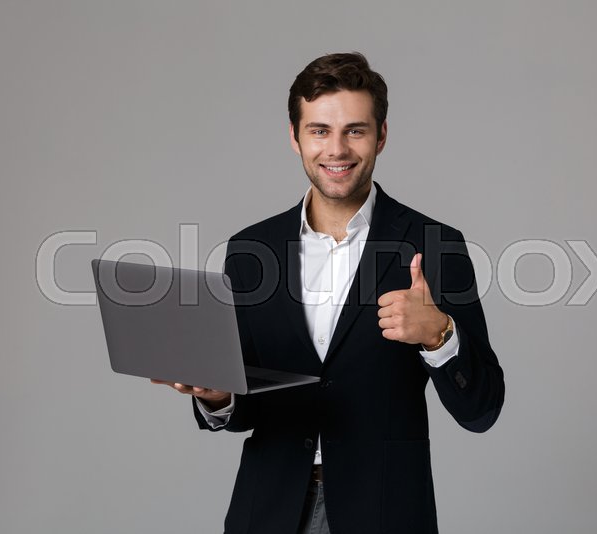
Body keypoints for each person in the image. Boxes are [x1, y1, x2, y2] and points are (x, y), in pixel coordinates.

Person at [152, 52, 505, 534]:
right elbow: (246, 409)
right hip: (268, 511)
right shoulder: (251, 249)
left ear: (381, 136)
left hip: (383, 513)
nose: (336, 149)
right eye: (319, 130)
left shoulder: (435, 246)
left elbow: (482, 410)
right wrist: (218, 396)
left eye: (355, 130)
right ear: (294, 137)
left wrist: (440, 336)